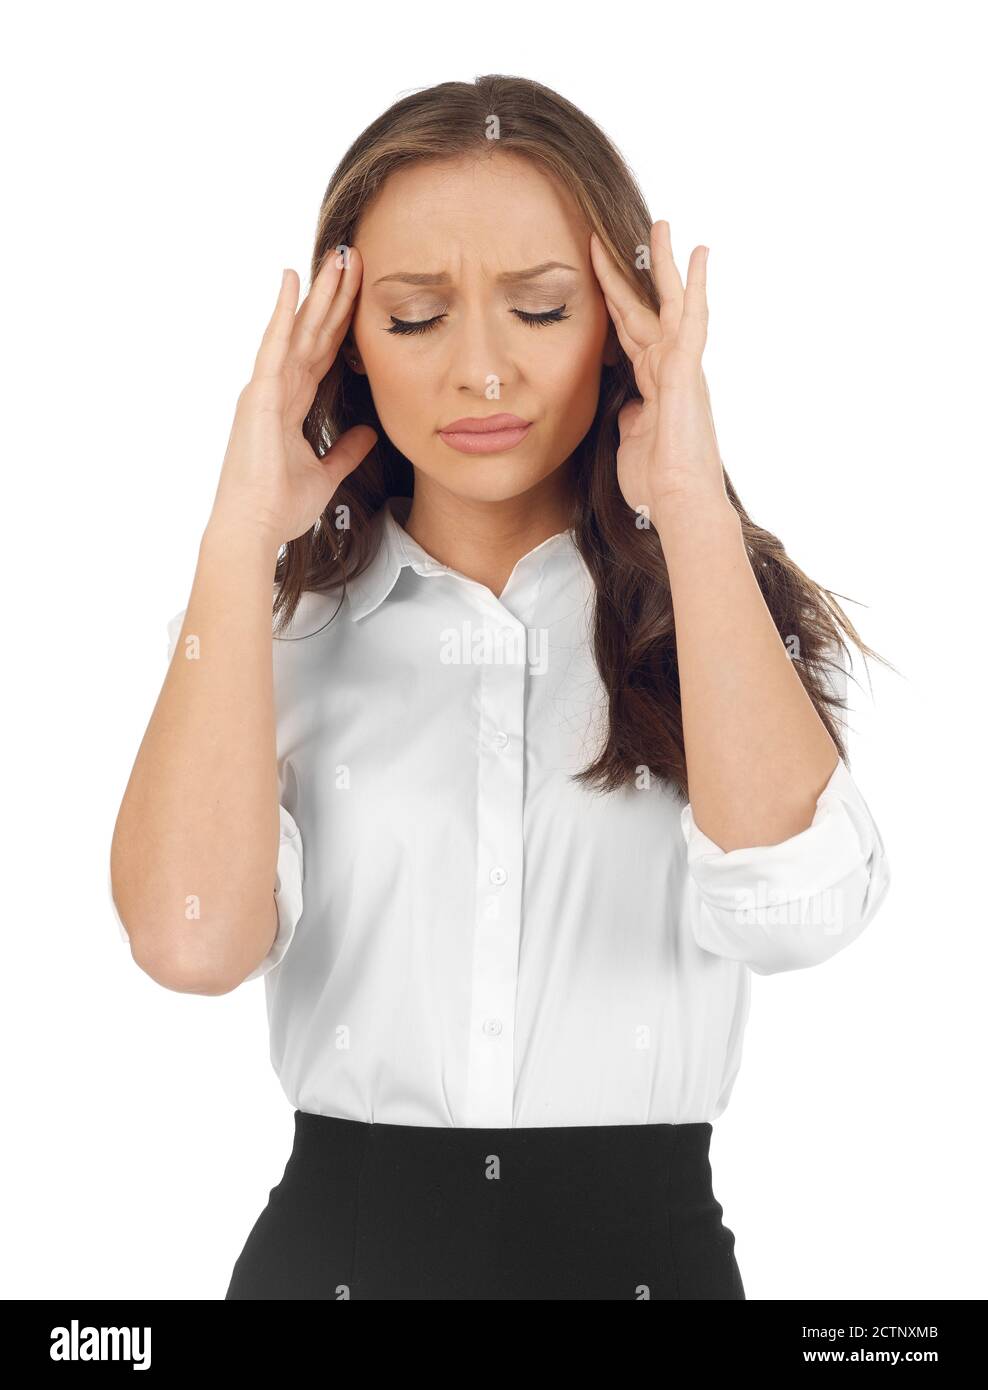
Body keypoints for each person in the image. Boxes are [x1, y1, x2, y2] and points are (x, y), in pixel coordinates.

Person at [109, 75, 892, 1301]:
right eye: (416, 318)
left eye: (538, 308)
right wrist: (234, 540)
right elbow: (191, 943)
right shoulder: (270, 633)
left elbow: (801, 916)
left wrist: (687, 504)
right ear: (346, 343)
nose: (482, 371)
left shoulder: (719, 613)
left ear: (622, 322)